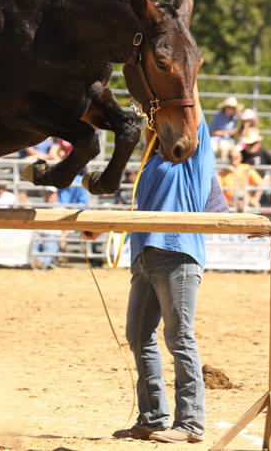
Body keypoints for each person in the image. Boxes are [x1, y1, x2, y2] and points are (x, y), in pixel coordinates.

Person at [103, 121, 224, 444]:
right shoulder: (151, 161)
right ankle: (153, 417)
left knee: (179, 337)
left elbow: (191, 111)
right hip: (144, 253)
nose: (150, 127)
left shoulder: (192, 156)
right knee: (139, 335)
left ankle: (191, 423)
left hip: (177, 253)